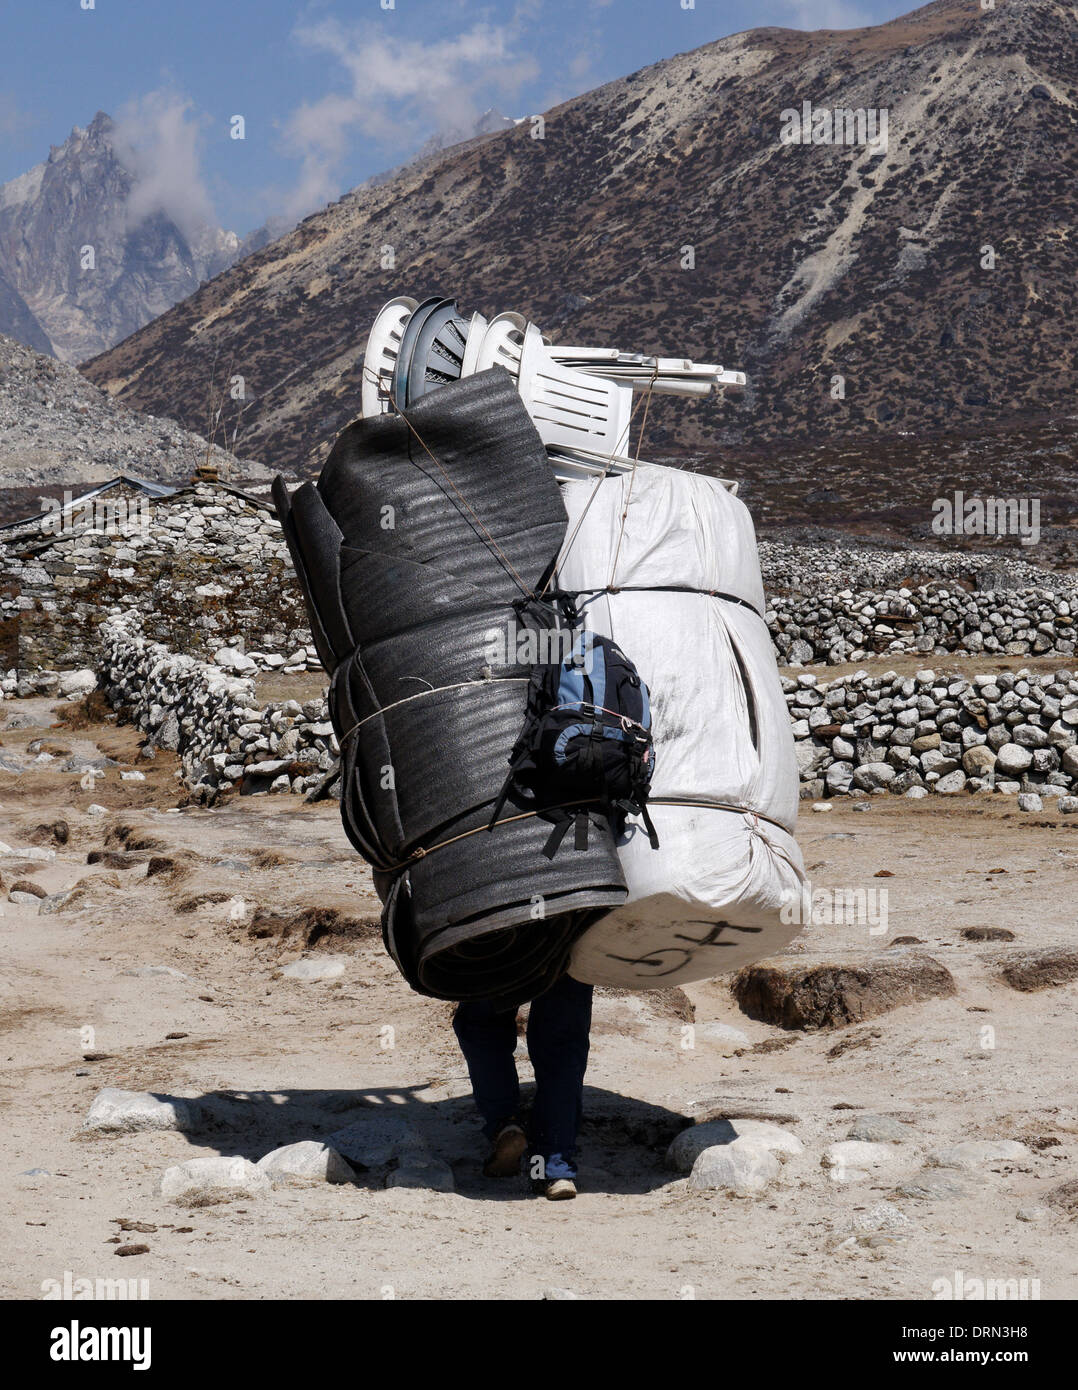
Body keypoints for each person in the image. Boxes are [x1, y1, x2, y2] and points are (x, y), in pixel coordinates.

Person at [453, 972, 593, 1200]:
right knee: (563, 1038)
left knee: (482, 1022)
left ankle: (506, 1126)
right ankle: (553, 1167)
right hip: (571, 954)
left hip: (501, 953)